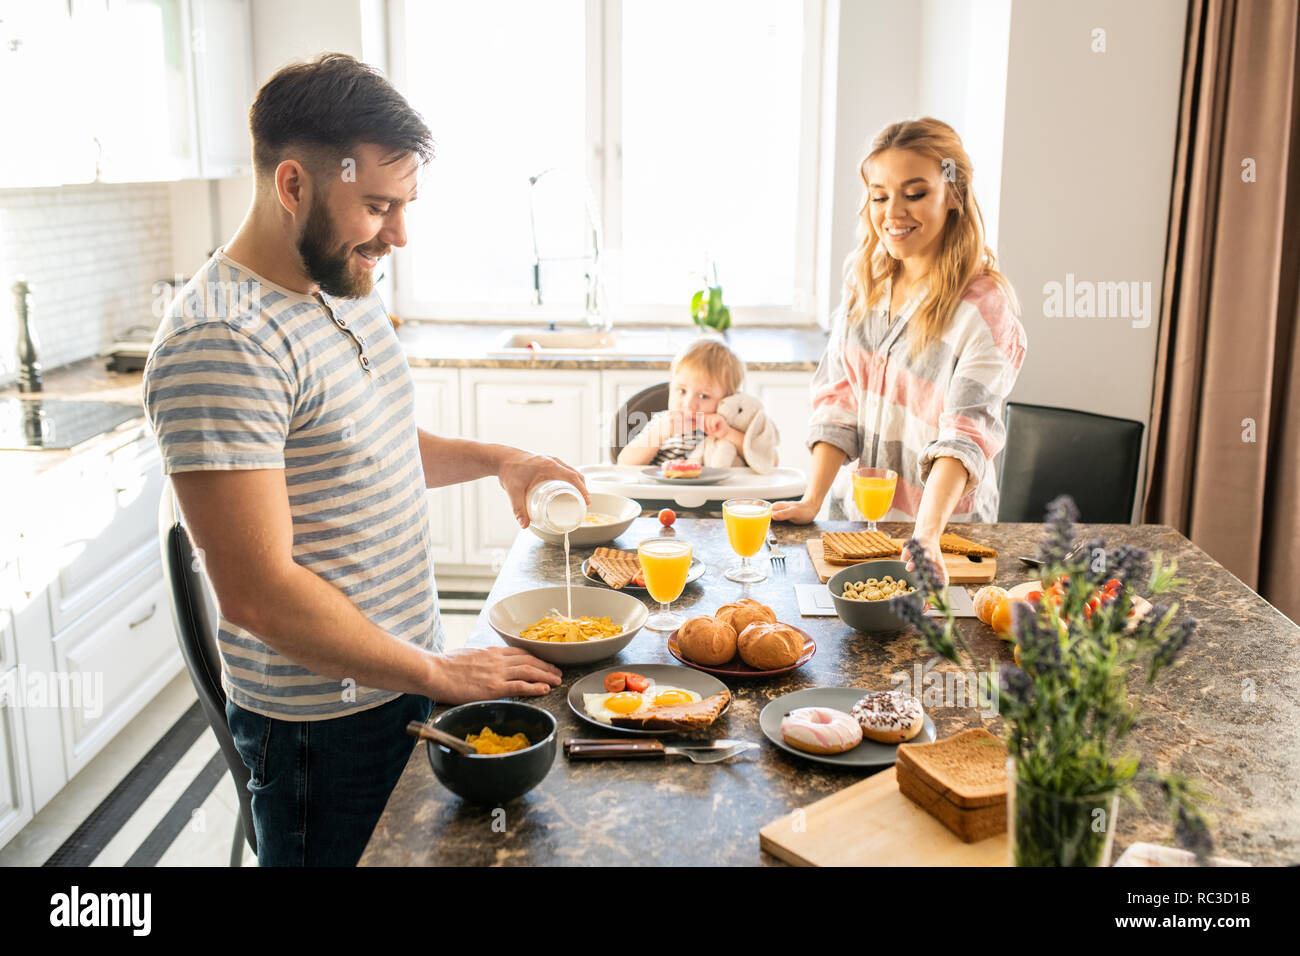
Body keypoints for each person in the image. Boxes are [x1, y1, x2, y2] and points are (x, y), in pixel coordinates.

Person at [143, 54, 579, 866]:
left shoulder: (339, 287)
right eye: (377, 206)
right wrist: (440, 673)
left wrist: (501, 458)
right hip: (322, 731)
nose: (399, 234)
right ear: (293, 185)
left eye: (406, 205)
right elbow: (257, 593)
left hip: (400, 676)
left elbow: (369, 447)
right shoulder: (223, 340)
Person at [771, 118, 1028, 585]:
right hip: (857, 524)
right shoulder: (865, 280)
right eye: (879, 195)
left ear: (953, 194)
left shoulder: (984, 308)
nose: (894, 212)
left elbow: (966, 436)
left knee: (937, 654)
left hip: (944, 537)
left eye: (914, 194)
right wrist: (812, 499)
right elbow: (840, 403)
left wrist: (926, 534)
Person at [616, 338, 776, 469]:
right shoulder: (662, 422)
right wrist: (661, 431)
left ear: (727, 399)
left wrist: (727, 434)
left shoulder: (734, 425)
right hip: (663, 502)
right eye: (681, 391)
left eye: (703, 396)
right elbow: (624, 463)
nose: (689, 404)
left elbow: (771, 462)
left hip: (718, 503)